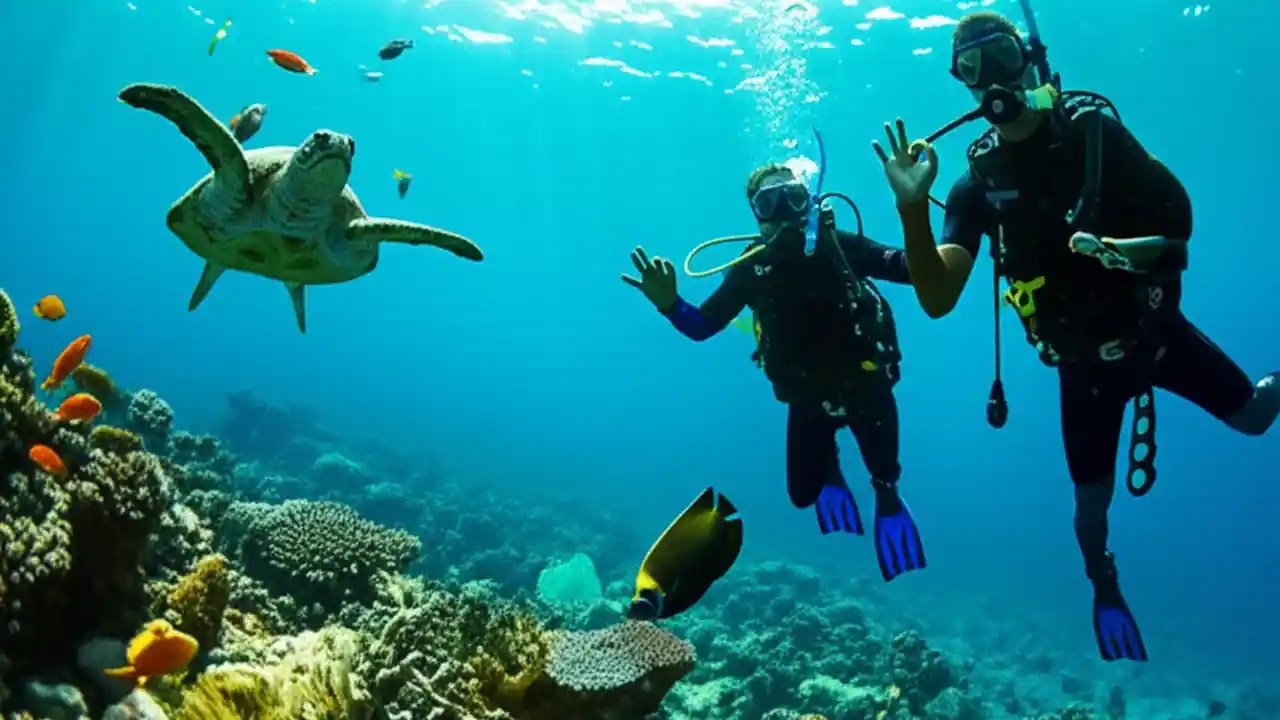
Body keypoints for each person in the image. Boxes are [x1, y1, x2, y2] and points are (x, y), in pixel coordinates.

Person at [872, 10, 1279, 661]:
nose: (991, 80)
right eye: (971, 69)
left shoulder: (1095, 135)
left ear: (1031, 61)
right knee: (1090, 510)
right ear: (963, 84)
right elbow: (938, 296)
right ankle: (1104, 588)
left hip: (1156, 336)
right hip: (1082, 372)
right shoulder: (977, 184)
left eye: (1001, 58)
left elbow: (1178, 225)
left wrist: (1127, 253)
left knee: (1256, 417)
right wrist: (912, 210)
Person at [621, 162, 926, 582]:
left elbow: (912, 268)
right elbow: (703, 325)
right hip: (807, 400)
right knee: (802, 495)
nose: (783, 211)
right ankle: (830, 464)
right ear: (756, 216)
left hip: (868, 390)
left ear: (809, 202)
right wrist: (669, 304)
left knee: (886, 479)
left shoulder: (842, 246)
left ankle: (886, 498)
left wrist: (916, 207)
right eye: (768, 203)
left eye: (793, 197)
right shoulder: (752, 269)